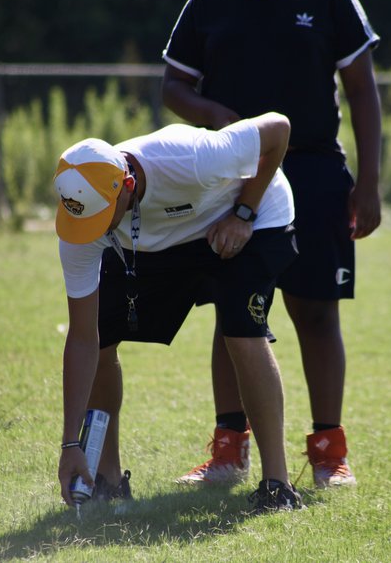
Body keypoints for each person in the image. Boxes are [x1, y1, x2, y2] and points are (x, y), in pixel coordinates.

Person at [161, 0, 382, 488]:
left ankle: (329, 453)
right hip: (232, 176)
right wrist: (213, 114)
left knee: (317, 312)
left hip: (314, 173)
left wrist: (369, 183)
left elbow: (362, 91)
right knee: (232, 311)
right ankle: (228, 449)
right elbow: (173, 86)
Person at [54, 111, 305, 512]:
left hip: (247, 215)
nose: (93, 230)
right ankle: (107, 479)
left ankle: (277, 486)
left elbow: (278, 128)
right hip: (163, 239)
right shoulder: (80, 223)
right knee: (103, 334)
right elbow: (83, 337)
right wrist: (70, 445)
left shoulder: (192, 157)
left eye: (102, 217)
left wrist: (244, 213)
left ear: (128, 186)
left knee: (242, 330)